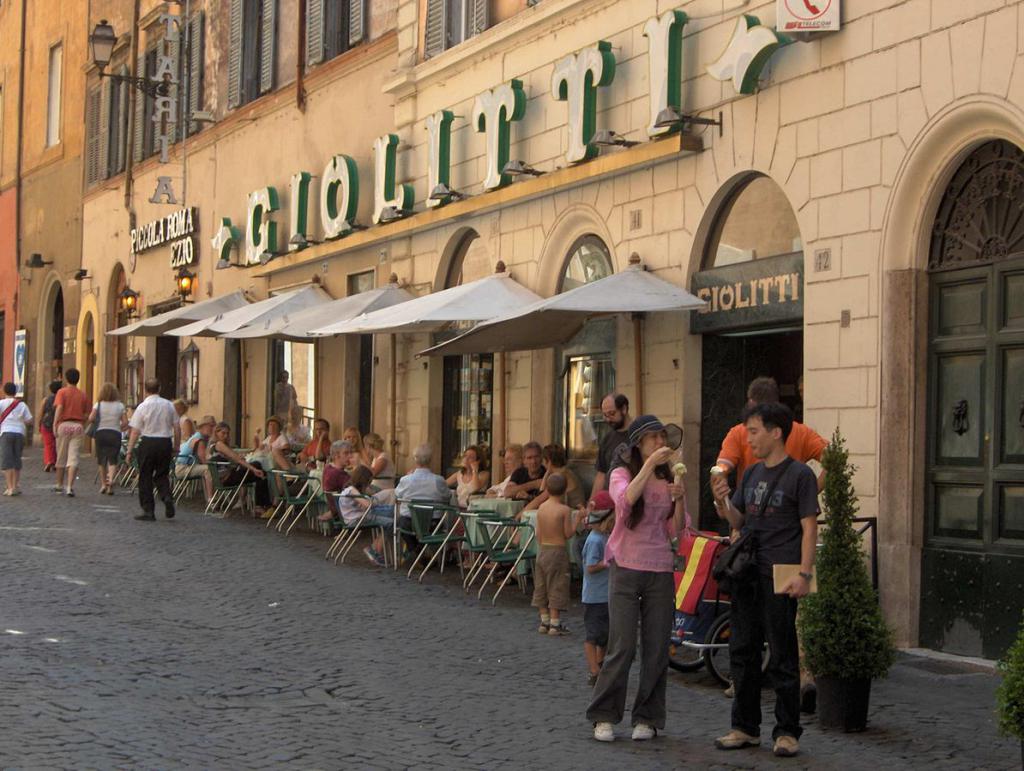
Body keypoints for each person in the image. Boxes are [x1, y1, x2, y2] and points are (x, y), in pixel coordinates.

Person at [710, 403, 819, 759]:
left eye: (754, 431)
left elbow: (808, 527)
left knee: (783, 655)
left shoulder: (800, 475)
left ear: (776, 432)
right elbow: (739, 518)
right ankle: (744, 727)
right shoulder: (752, 474)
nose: (748, 438)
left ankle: (787, 732)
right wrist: (723, 501)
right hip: (747, 573)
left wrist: (805, 573)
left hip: (782, 574)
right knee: (742, 652)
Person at [587, 415, 688, 743]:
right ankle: (604, 715)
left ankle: (647, 716)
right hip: (627, 566)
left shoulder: (669, 476)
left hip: (659, 568)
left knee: (657, 647)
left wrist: (680, 496)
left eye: (663, 438)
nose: (661, 443)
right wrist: (647, 468)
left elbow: (677, 531)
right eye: (654, 439)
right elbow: (624, 502)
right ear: (638, 445)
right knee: (622, 645)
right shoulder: (621, 473)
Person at [717, 376, 826, 492]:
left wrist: (718, 477)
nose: (749, 439)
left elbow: (722, 466)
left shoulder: (738, 432)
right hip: (789, 504)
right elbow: (833, 459)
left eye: (754, 432)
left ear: (751, 402)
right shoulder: (801, 432)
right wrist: (812, 493)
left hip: (752, 504)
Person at [125, 378, 180, 522]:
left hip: (148, 442)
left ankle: (148, 510)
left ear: (145, 389)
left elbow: (135, 431)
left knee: (145, 476)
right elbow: (177, 427)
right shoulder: (169, 405)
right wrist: (176, 446)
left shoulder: (142, 407)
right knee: (162, 474)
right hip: (164, 442)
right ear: (159, 388)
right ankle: (166, 496)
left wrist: (129, 450)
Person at [532, 473, 579, 636]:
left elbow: (537, 534)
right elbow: (568, 533)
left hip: (542, 550)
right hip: (558, 551)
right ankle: (555, 623)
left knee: (542, 585)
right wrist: (578, 519)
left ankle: (543, 621)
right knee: (557, 585)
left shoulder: (542, 508)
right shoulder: (564, 510)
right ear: (565, 490)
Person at [582, 491, 615, 686]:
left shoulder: (604, 537)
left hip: (605, 595)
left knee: (605, 634)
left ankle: (601, 663)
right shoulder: (595, 540)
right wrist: (607, 563)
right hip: (594, 596)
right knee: (593, 635)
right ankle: (594, 670)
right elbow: (590, 567)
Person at [394, 444, 451, 556]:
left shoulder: (406, 480)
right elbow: (447, 496)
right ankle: (421, 554)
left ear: (415, 459)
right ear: (431, 460)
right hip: (433, 523)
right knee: (433, 527)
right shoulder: (438, 480)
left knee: (402, 524)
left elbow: (397, 495)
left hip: (408, 522)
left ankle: (416, 553)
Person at [335, 465, 393, 567]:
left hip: (352, 519)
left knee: (386, 519)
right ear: (363, 480)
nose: (369, 484)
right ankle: (374, 550)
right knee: (391, 523)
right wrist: (370, 496)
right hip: (357, 519)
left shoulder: (347, 489)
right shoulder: (352, 490)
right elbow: (367, 505)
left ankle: (375, 549)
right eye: (368, 482)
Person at [207, 422, 271, 511]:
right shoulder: (219, 444)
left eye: (227, 433)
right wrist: (253, 469)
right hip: (227, 479)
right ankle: (260, 505)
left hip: (220, 480)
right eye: (223, 433)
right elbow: (237, 458)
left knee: (258, 470)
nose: (225, 436)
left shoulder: (212, 446)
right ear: (216, 433)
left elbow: (234, 457)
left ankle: (254, 504)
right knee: (259, 469)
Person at [53, 368, 93, 497]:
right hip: (77, 425)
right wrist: (83, 423)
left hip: (64, 424)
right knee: (73, 457)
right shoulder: (82, 394)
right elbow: (88, 414)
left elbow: (59, 408)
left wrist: (55, 423)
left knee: (61, 456)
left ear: (66, 378)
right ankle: (70, 487)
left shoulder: (62, 392)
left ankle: (59, 485)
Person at [89, 383, 128, 495]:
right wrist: (118, 427)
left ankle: (103, 484)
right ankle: (110, 481)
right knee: (113, 459)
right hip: (115, 433)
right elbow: (125, 422)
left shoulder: (98, 405)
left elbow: (91, 418)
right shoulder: (120, 406)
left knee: (102, 460)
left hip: (101, 433)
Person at [592, 393, 630, 500]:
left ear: (624, 409)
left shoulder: (639, 435)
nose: (608, 420)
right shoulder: (607, 439)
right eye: (605, 415)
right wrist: (592, 503)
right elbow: (601, 474)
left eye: (612, 414)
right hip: (608, 501)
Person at [525, 444, 584, 511]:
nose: (542, 463)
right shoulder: (563, 472)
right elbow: (541, 495)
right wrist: (547, 473)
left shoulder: (560, 476)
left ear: (549, 461)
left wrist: (518, 517)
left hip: (575, 513)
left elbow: (540, 499)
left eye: (543, 460)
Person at [0, 382, 33, 496]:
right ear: (15, 392)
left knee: (7, 460)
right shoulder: (22, 405)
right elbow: (29, 420)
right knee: (16, 459)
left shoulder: (1, 403)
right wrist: (20, 421)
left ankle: (9, 487)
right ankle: (15, 486)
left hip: (6, 432)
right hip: (19, 433)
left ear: (4, 391)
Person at [176, 414, 216, 501]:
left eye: (214, 426)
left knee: (212, 469)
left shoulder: (197, 436)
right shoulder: (199, 439)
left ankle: (214, 497)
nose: (213, 429)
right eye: (211, 426)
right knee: (208, 469)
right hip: (183, 468)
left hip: (182, 466)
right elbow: (204, 459)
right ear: (203, 426)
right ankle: (211, 499)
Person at [318, 439, 353, 520]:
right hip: (346, 510)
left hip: (334, 507)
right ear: (336, 456)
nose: (350, 456)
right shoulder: (340, 474)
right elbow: (357, 489)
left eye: (351, 452)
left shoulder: (328, 468)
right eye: (346, 453)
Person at [38, 380, 61, 472]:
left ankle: (49, 461)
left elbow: (41, 413)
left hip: (46, 423)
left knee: (48, 444)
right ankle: (56, 461)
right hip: (58, 423)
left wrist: (39, 423)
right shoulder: (61, 399)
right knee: (57, 444)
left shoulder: (46, 400)